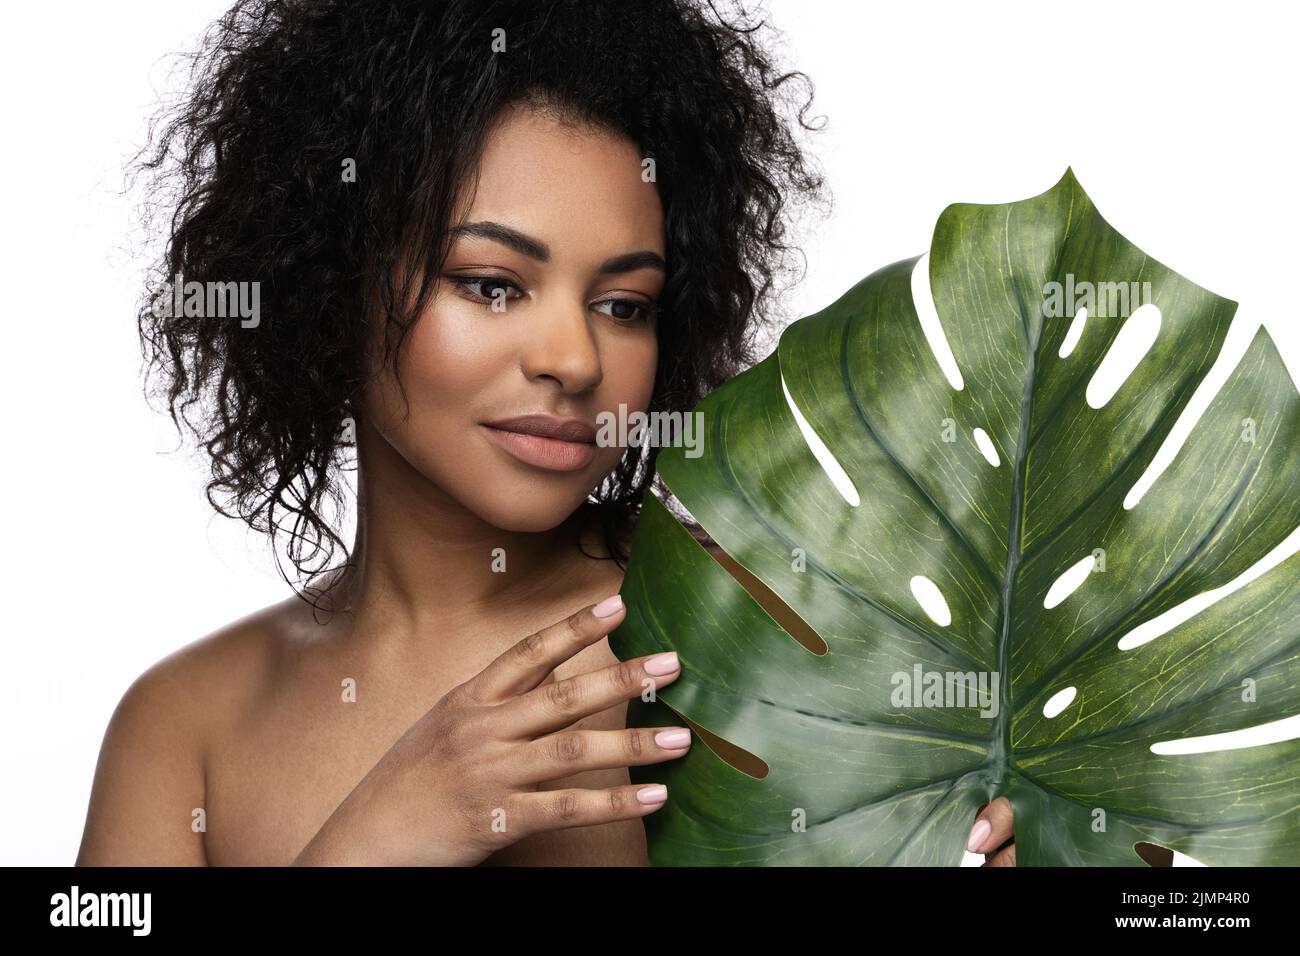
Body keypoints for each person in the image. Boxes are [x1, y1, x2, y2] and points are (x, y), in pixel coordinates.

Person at [76, 0, 1030, 866]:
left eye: (624, 305)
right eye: (491, 286)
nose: (574, 360)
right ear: (331, 288)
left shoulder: (770, 634)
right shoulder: (183, 730)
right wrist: (382, 838)